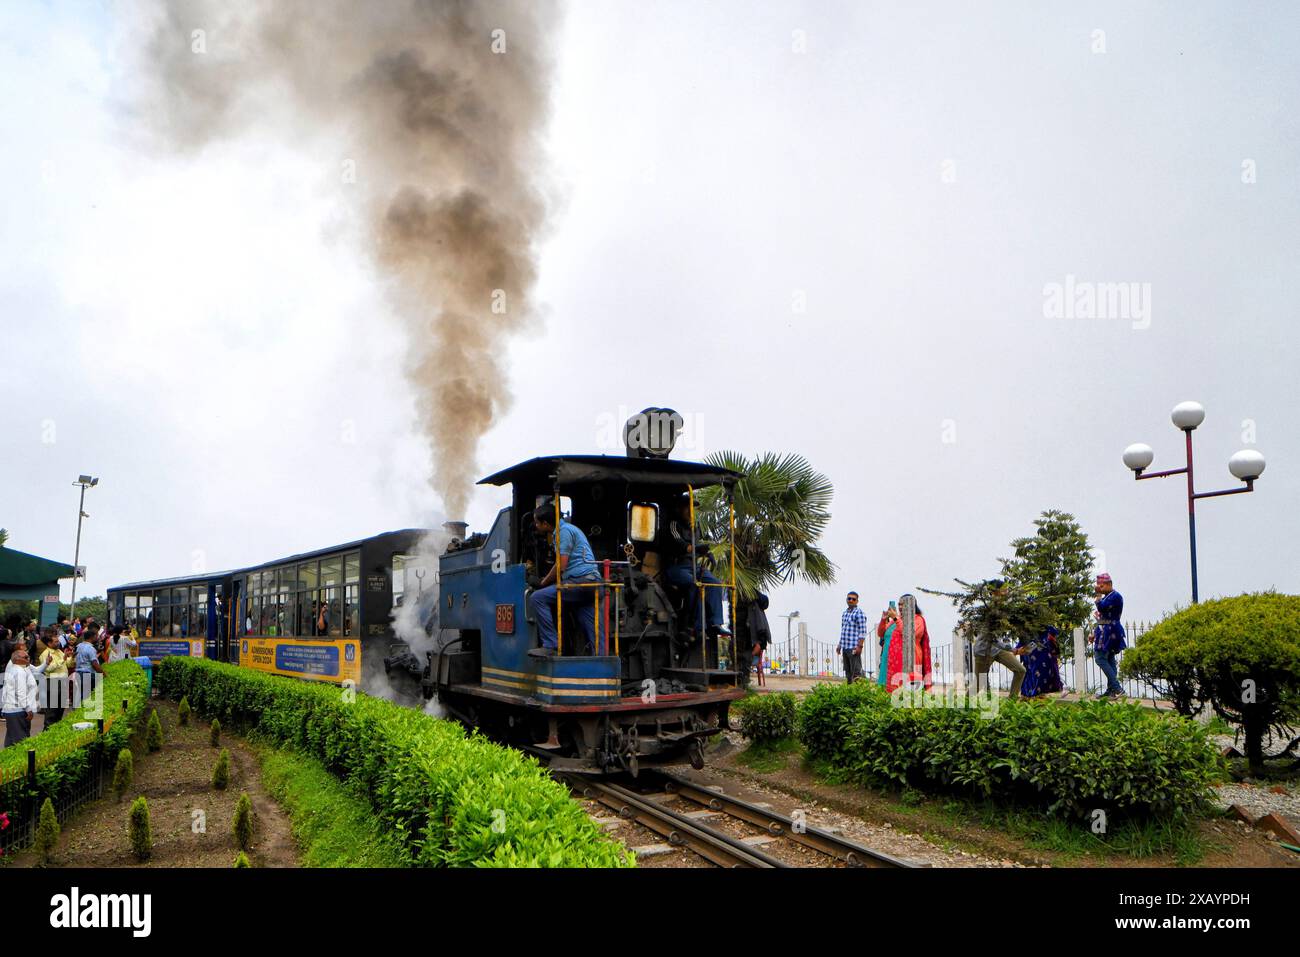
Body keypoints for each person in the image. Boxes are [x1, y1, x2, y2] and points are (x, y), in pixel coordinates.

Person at [527, 500, 603, 657]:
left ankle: (550, 645)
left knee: (537, 597)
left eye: (537, 523)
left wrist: (542, 582)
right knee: (588, 618)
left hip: (581, 581)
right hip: (592, 583)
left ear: (546, 523)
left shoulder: (563, 532)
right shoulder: (568, 530)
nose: (535, 526)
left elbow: (561, 565)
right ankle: (601, 658)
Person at [660, 497, 730, 641]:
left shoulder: (696, 528)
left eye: (693, 508)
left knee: (715, 583)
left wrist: (708, 553)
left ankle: (715, 623)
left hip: (693, 566)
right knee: (693, 584)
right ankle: (693, 626)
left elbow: (701, 546)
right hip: (676, 567)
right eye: (688, 507)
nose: (691, 511)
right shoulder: (673, 524)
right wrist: (698, 548)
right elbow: (680, 544)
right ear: (681, 509)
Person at [972, 579, 1026, 699]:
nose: (1007, 591)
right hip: (984, 650)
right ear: (995, 592)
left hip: (998, 649)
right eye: (1004, 589)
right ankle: (960, 708)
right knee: (979, 684)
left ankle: (1011, 703)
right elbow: (993, 638)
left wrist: (1013, 649)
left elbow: (1003, 632)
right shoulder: (990, 610)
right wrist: (1012, 650)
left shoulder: (1004, 608)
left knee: (1020, 670)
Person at [877, 595, 934, 691]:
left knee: (909, 692)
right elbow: (881, 633)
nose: (900, 607)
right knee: (887, 692)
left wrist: (895, 618)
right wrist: (883, 619)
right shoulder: (897, 619)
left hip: (909, 661)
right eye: (899, 604)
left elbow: (909, 634)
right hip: (890, 661)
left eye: (903, 604)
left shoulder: (918, 620)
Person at [1092, 573, 1126, 699]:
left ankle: (1117, 688)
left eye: (1101, 586)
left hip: (1110, 631)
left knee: (1100, 658)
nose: (1099, 588)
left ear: (1109, 584)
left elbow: (1101, 608)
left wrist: (1098, 596)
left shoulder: (1115, 596)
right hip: (1105, 630)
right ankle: (1111, 690)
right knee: (1110, 659)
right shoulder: (1109, 596)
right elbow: (1101, 616)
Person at [1, 646, 41, 745]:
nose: (28, 659)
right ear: (17, 660)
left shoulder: (16, 669)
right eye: (26, 657)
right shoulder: (19, 671)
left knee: (11, 740)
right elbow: (20, 693)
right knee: (21, 741)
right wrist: (28, 709)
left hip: (12, 710)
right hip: (17, 710)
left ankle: (7, 759)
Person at [734, 592, 772, 689]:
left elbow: (760, 644)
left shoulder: (756, 612)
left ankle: (742, 683)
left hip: (752, 653)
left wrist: (751, 653)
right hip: (745, 647)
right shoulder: (752, 615)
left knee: (744, 659)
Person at [1015, 625, 1063, 698]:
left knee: (1041, 675)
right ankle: (1031, 697)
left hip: (1043, 654)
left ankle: (1036, 696)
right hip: (1032, 655)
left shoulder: (1047, 629)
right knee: (1032, 674)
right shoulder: (1026, 628)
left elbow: (1053, 640)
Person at [38, 627, 70, 724]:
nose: (58, 643)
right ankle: (47, 733)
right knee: (51, 713)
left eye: (58, 641)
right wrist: (62, 660)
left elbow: (67, 663)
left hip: (62, 683)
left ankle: (56, 732)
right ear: (49, 643)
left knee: (60, 711)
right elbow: (48, 668)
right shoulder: (45, 654)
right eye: (55, 642)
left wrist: (72, 659)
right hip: (53, 683)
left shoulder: (59, 651)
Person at [838, 591, 868, 683]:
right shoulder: (845, 613)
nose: (851, 600)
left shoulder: (859, 613)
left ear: (857, 601)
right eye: (849, 598)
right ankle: (849, 692)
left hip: (854, 647)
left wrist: (860, 646)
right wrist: (839, 645)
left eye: (853, 599)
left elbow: (863, 631)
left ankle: (859, 693)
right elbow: (843, 630)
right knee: (848, 672)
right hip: (845, 647)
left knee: (856, 673)